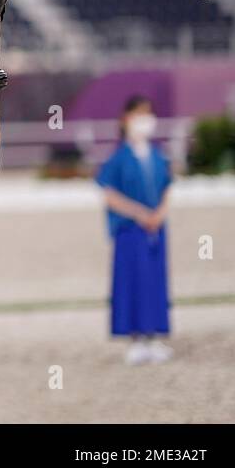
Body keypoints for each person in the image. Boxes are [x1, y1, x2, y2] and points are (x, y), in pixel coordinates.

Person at [95, 95, 172, 365]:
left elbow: (167, 187)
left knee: (155, 282)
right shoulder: (119, 158)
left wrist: (159, 214)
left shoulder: (157, 155)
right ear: (126, 119)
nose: (145, 120)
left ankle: (153, 335)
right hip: (130, 230)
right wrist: (139, 214)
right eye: (140, 114)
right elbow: (109, 194)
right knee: (132, 282)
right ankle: (135, 339)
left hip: (155, 229)